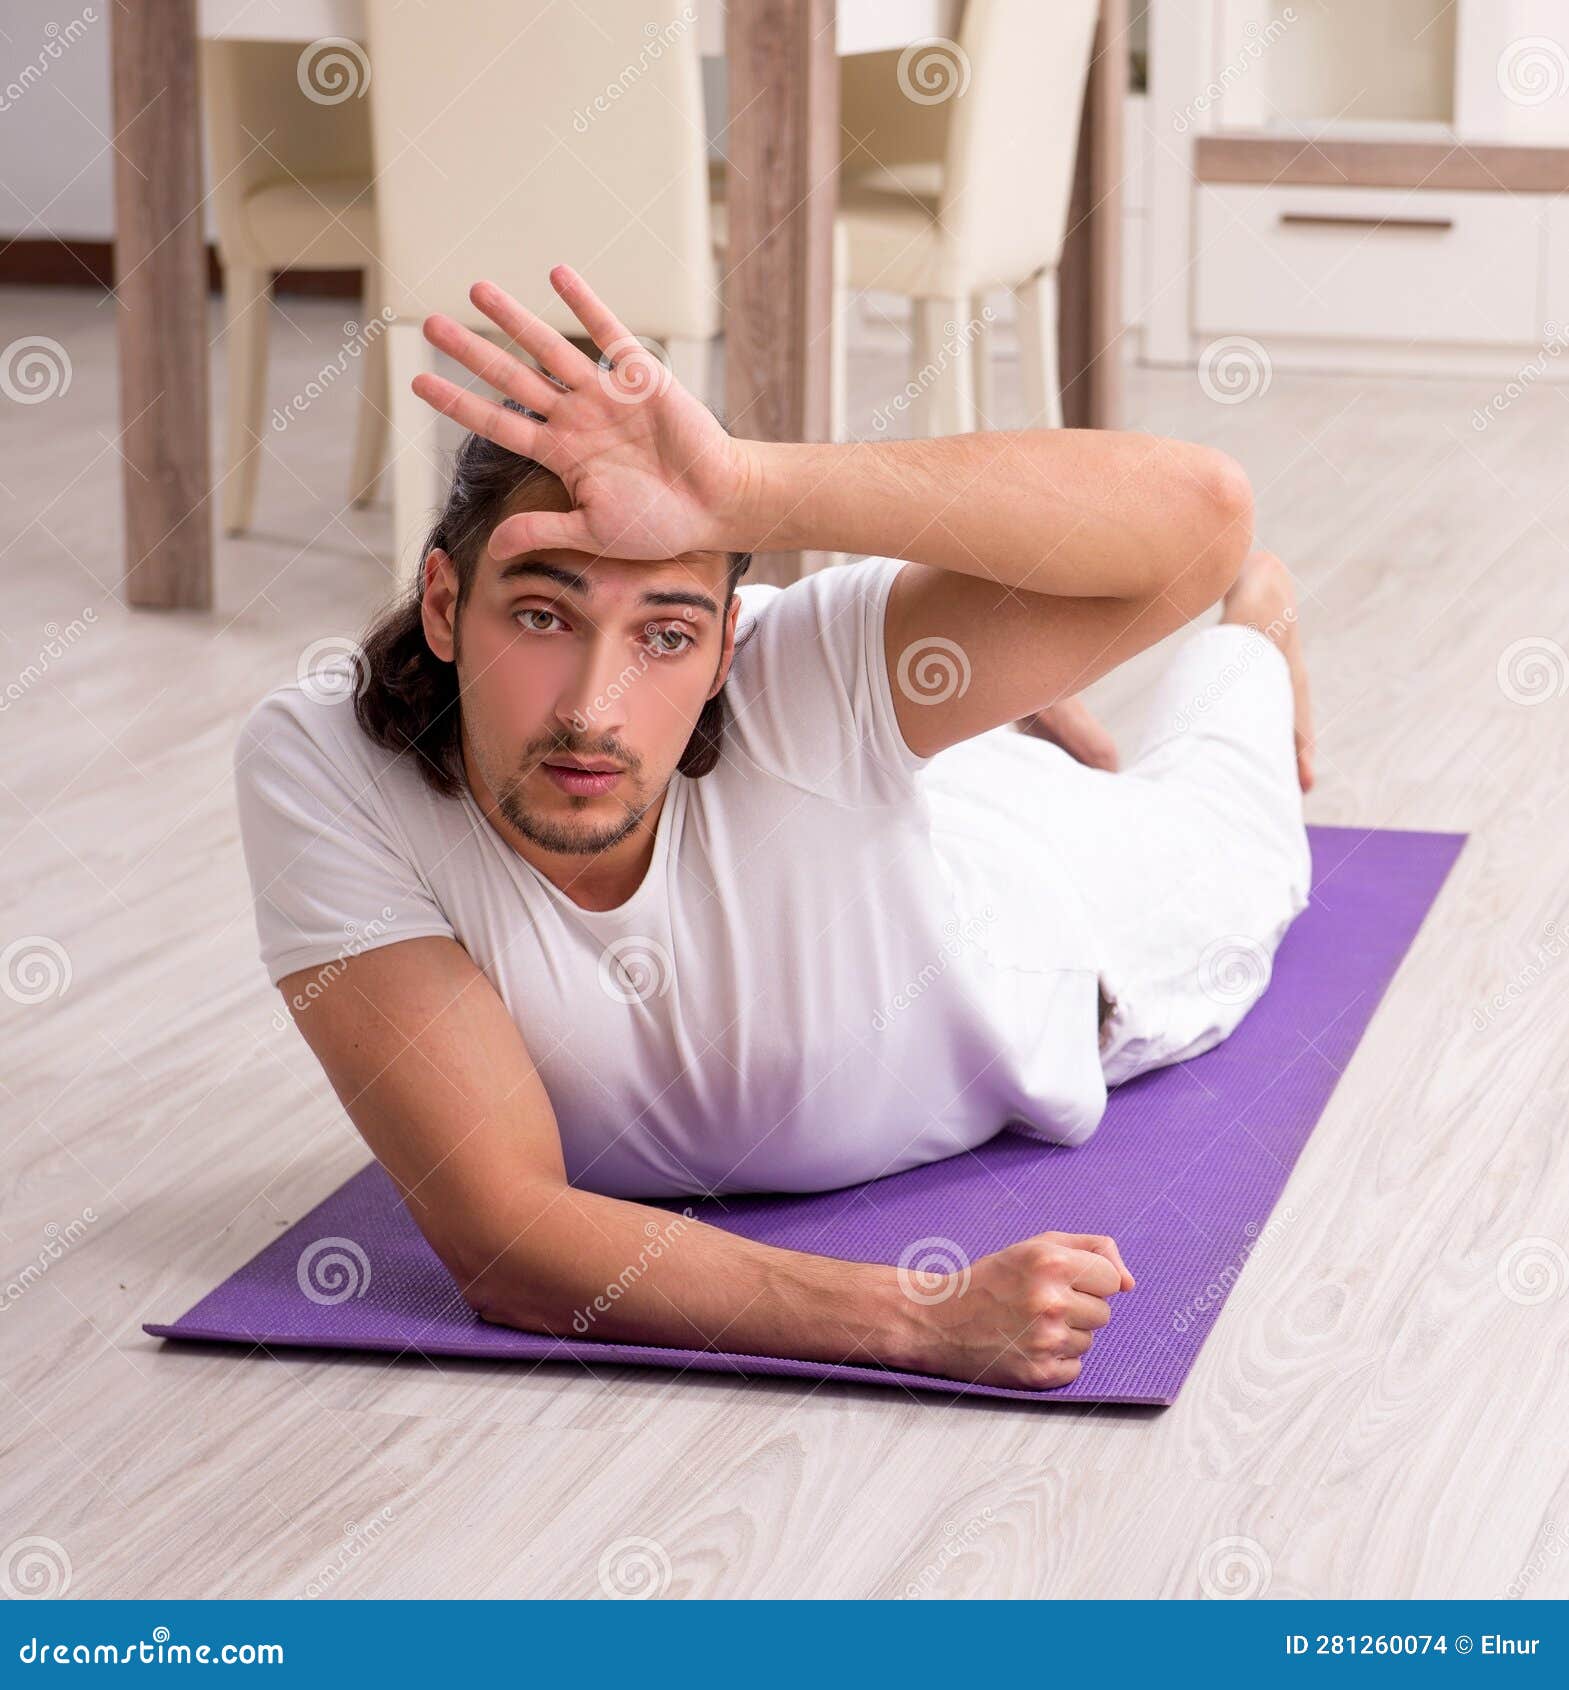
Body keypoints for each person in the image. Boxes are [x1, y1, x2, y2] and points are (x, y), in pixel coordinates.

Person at [234, 267, 1315, 1391]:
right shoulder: (324, 764)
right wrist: (921, 1316)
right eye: (545, 615)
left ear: (727, 650)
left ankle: (1261, 626)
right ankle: (993, 704)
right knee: (920, 714)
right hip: (882, 809)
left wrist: (752, 486)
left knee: (1227, 796)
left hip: (1056, 904)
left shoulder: (798, 668)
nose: (590, 713)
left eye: (666, 633)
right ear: (448, 606)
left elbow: (1203, 516)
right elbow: (504, 1238)